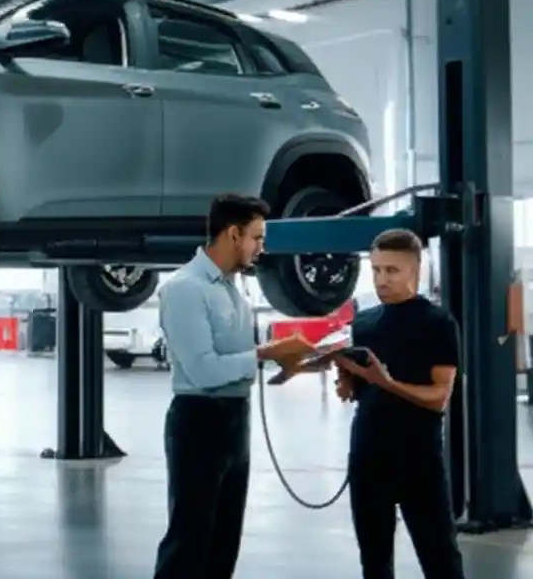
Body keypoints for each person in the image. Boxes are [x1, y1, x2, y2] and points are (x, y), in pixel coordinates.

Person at [153, 193, 314, 579]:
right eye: (257, 238)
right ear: (232, 234)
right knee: (190, 541)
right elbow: (204, 371)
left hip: (235, 419)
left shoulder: (232, 289)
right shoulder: (186, 289)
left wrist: (288, 359)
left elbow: (236, 358)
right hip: (200, 421)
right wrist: (266, 352)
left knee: (223, 543)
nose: (261, 247)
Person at [333, 229, 465, 579]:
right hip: (368, 455)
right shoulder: (364, 323)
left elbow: (439, 397)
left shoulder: (438, 324)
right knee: (374, 562)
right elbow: (364, 389)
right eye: (376, 270)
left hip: (417, 459)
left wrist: (387, 383)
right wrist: (348, 381)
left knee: (441, 561)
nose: (382, 280)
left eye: (392, 270)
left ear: (415, 270)